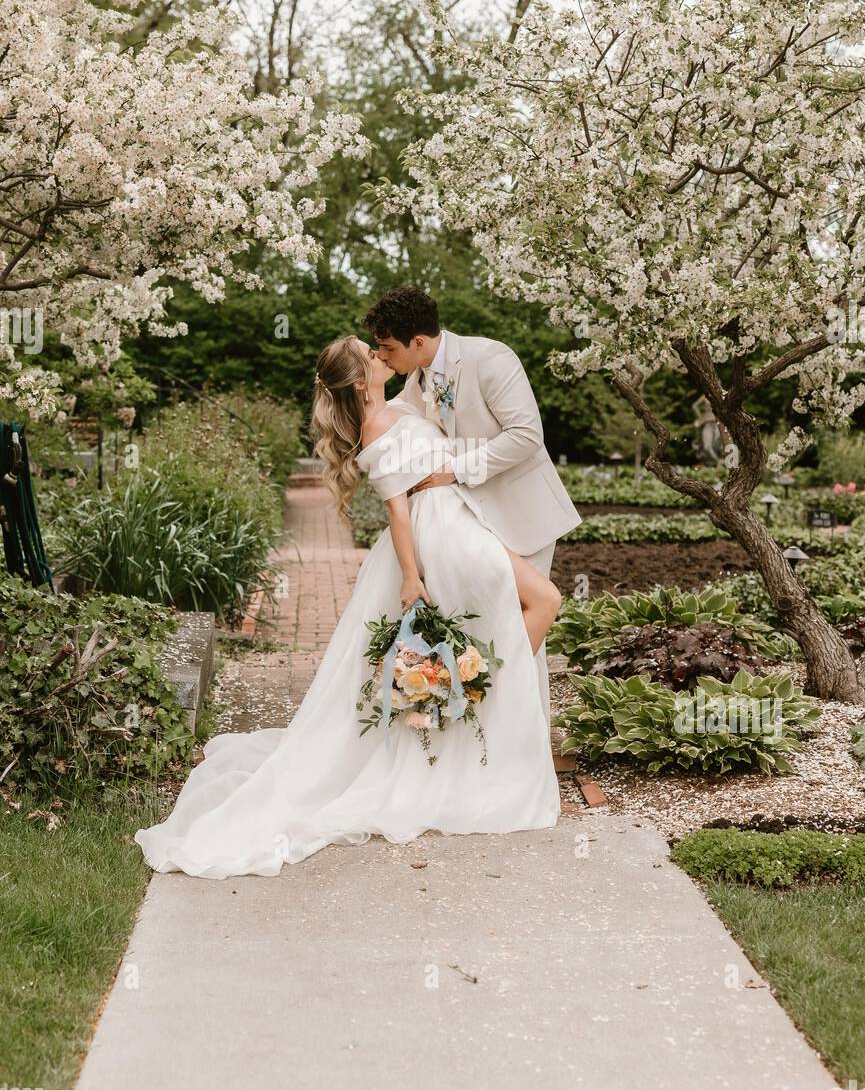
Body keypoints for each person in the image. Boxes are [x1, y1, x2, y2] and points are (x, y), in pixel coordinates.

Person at [133, 333, 564, 880]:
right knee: (542, 601)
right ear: (362, 381)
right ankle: (474, 710)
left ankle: (469, 707)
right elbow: (398, 511)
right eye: (372, 356)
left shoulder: (403, 403)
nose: (382, 357)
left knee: (502, 622)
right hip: (445, 536)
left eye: (380, 349)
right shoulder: (378, 425)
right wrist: (411, 576)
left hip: (459, 522)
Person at [363, 285, 582, 724]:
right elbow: (390, 419)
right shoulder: (415, 378)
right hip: (470, 521)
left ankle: (513, 728)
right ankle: (485, 726)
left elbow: (525, 436)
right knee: (489, 620)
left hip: (519, 514)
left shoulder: (490, 359)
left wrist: (455, 471)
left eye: (388, 347)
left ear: (418, 341)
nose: (383, 355)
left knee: (524, 616)